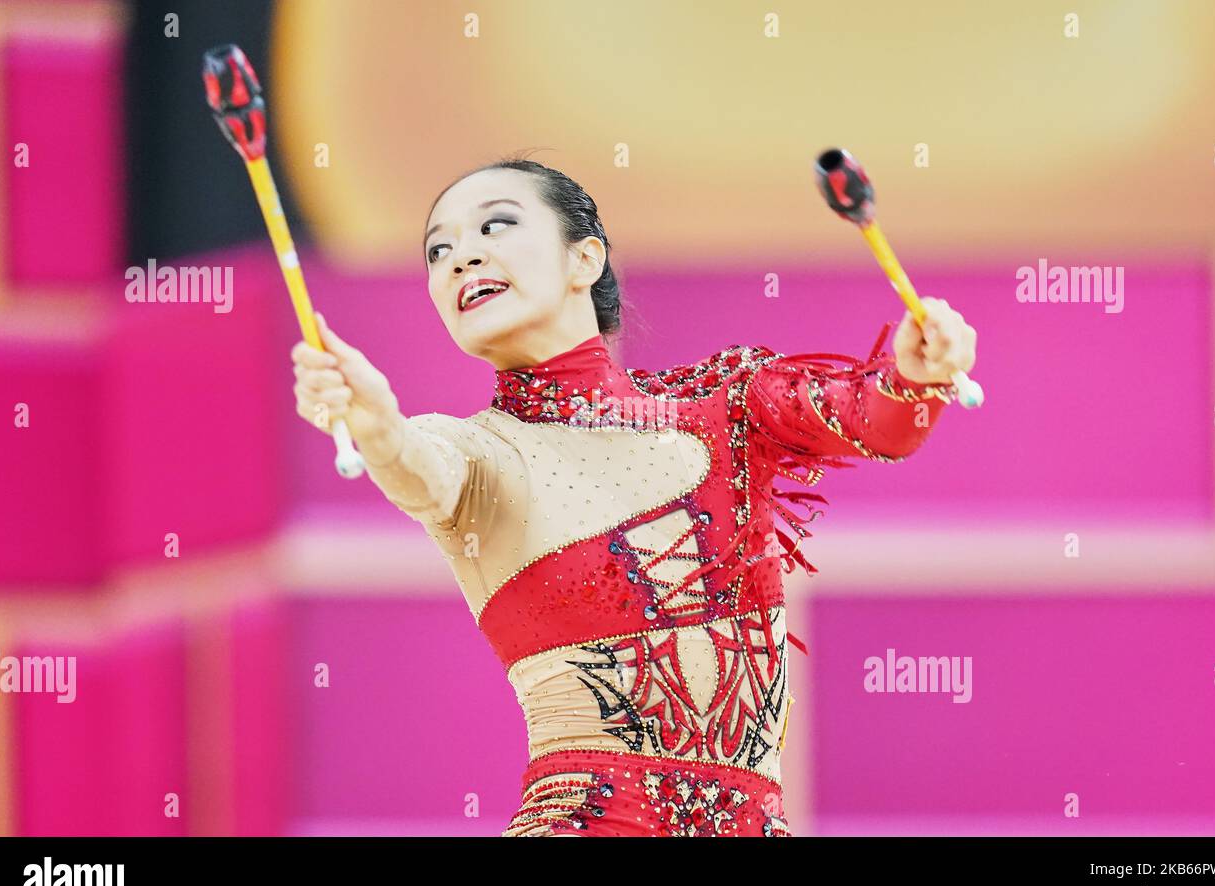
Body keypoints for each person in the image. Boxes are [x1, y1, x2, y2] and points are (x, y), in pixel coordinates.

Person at [291, 158, 977, 836]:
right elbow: (412, 464)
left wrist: (918, 369)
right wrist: (374, 422)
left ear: (584, 258)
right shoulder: (478, 456)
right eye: (439, 251)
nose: (462, 258)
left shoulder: (726, 410)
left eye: (494, 227)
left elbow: (874, 419)